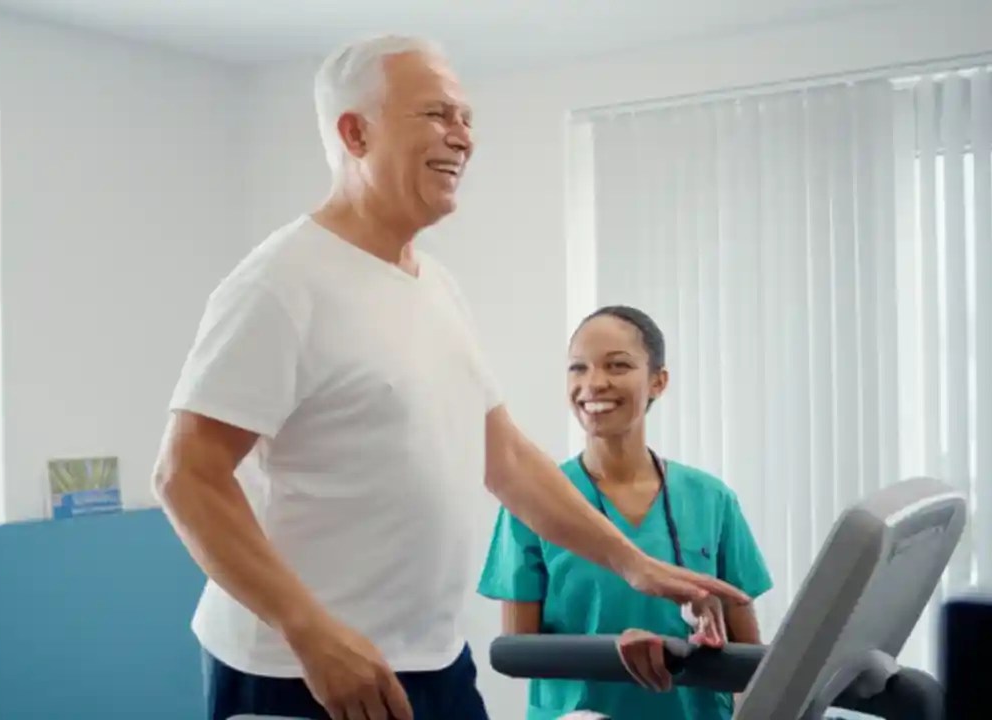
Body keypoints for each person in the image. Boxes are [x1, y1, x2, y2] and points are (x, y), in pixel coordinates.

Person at [151, 35, 748, 720]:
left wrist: (628, 561)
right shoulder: (279, 283)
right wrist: (308, 631)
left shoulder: (434, 284)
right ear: (355, 132)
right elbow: (186, 476)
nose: (462, 137)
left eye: (466, 118)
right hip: (303, 665)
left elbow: (506, 458)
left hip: (429, 656)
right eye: (436, 115)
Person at [478, 305, 774, 720]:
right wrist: (611, 652)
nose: (593, 383)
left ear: (658, 381)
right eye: (577, 368)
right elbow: (519, 651)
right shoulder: (535, 501)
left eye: (617, 366)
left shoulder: (711, 499)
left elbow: (749, 660)